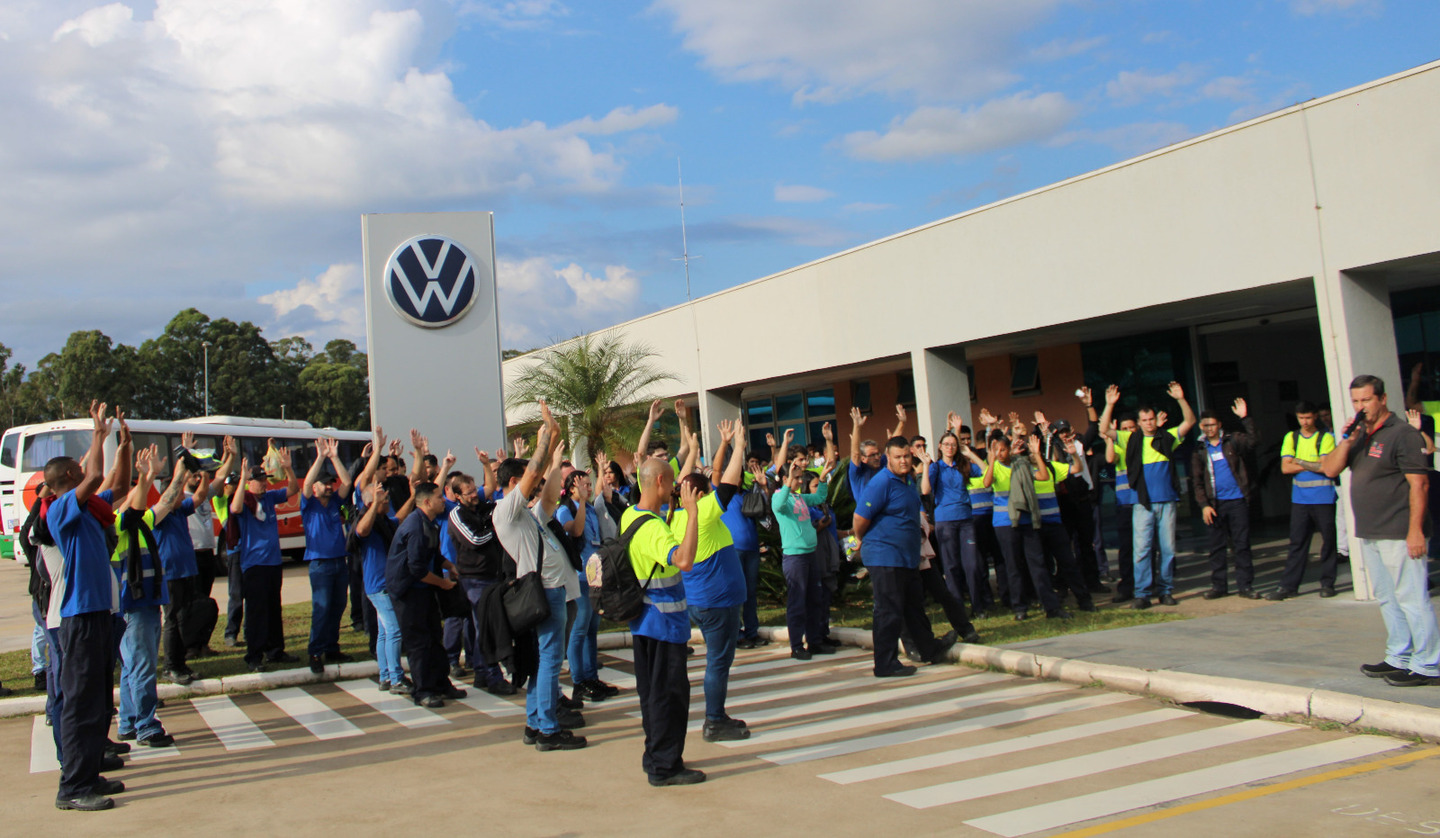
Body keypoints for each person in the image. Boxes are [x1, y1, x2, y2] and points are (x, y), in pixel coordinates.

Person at [1320, 375, 1439, 686]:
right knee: (1387, 597)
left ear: (1382, 399)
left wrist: (1415, 531)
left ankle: (1429, 664)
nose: (1361, 407)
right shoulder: (1359, 435)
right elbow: (1330, 469)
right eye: (1356, 401)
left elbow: (1420, 484)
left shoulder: (1401, 434)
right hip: (1372, 531)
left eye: (1366, 400)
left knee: (1412, 597)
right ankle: (1399, 656)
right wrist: (1346, 438)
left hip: (1400, 531)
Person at [493, 399, 585, 750]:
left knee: (543, 660)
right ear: (514, 482)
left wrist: (556, 451)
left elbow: (547, 498)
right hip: (544, 591)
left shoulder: (528, 515)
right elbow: (533, 476)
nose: (533, 486)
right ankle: (548, 729)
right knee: (549, 661)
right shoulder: (505, 511)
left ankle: (535, 723)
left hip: (553, 590)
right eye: (526, 482)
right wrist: (544, 436)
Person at [48, 401, 124, 811]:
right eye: (78, 470)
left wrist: (122, 443)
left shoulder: (89, 512)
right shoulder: (62, 509)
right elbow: (96, 474)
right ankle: (73, 788)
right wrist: (98, 434)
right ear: (68, 478)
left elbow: (121, 482)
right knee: (79, 704)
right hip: (77, 618)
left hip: (97, 613)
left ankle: (90, 774)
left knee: (97, 701)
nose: (85, 470)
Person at [623, 456, 703, 785]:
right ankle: (665, 766)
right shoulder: (653, 528)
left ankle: (654, 755)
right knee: (668, 697)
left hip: (644, 622)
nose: (674, 489)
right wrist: (693, 513)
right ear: (658, 482)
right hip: (663, 625)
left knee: (652, 694)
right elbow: (683, 560)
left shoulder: (632, 515)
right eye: (671, 483)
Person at [672, 419, 750, 742]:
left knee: (716, 661)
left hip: (702, 600)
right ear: (701, 495)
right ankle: (714, 720)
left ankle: (717, 715)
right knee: (718, 662)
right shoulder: (702, 512)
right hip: (718, 601)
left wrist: (693, 451)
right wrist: (740, 446)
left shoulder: (675, 517)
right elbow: (729, 485)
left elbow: (683, 482)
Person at [855, 436, 958, 678]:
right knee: (888, 610)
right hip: (884, 556)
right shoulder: (881, 483)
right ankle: (885, 663)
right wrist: (865, 539)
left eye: (906, 456)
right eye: (897, 457)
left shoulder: (908, 480)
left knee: (914, 606)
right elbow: (860, 519)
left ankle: (929, 648)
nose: (903, 461)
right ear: (887, 459)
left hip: (907, 556)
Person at [1098, 382, 1197, 609]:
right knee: (1141, 550)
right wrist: (1109, 404)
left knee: (1168, 549)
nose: (1149, 423)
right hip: (1142, 503)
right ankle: (1142, 594)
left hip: (1167, 502)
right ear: (1139, 423)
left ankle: (1166, 590)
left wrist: (1181, 399)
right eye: (1144, 420)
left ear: (1155, 419)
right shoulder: (1130, 439)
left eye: (1151, 419)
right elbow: (1104, 430)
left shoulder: (1167, 437)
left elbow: (1190, 422)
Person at [112, 445, 183, 749]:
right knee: (141, 666)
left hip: (148, 603)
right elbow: (133, 507)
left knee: (133, 667)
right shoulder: (117, 524)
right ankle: (145, 725)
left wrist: (182, 468)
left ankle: (129, 722)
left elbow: (168, 500)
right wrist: (145, 477)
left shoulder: (144, 524)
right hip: (134, 605)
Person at [155, 434, 232, 684]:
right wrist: (184, 458)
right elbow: (178, 493)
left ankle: (181, 663)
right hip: (171, 574)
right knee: (173, 620)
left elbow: (199, 496)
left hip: (186, 571)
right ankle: (171, 665)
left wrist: (205, 470)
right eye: (177, 494)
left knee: (184, 617)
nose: (182, 497)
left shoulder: (181, 510)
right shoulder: (161, 513)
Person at [385, 481, 464, 707]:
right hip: (408, 592)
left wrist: (451, 566)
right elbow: (417, 569)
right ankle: (423, 691)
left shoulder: (430, 523)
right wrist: (442, 584)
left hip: (423, 590)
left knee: (433, 637)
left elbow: (434, 554)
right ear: (427, 502)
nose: (443, 501)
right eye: (440, 497)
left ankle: (441, 683)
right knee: (418, 642)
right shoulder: (415, 527)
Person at [228, 440, 300, 672]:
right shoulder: (247, 501)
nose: (262, 484)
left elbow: (292, 490)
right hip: (254, 565)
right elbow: (235, 509)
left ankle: (275, 650)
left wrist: (288, 468)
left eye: (263, 481)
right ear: (249, 483)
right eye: (258, 481)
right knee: (256, 612)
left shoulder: (269, 498)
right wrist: (242, 480)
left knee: (273, 608)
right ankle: (254, 655)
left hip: (273, 563)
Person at [1270, 401, 1341, 600]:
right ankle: (1288, 586)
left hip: (1324, 499)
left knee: (1328, 542)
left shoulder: (1325, 438)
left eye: (1308, 417)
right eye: (1301, 418)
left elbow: (1326, 467)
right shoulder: (1291, 437)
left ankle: (1328, 583)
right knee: (1297, 543)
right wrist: (1312, 463)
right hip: (1300, 500)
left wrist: (1298, 461)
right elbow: (1285, 468)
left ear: (1315, 417)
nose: (1305, 422)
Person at [1191, 399, 1261, 599]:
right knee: (1216, 547)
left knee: (1241, 544)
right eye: (1205, 426)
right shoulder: (1199, 448)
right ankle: (1219, 586)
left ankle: (1245, 586)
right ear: (1201, 427)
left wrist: (1245, 418)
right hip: (1215, 504)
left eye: (1212, 425)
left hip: (1237, 500)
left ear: (1219, 425)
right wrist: (1204, 505)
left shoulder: (1232, 440)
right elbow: (1196, 480)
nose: (1209, 429)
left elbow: (1254, 441)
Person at [300, 436, 355, 673]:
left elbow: (347, 481)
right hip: (319, 564)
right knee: (321, 607)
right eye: (324, 483)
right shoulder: (309, 504)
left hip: (338, 562)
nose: (329, 486)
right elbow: (305, 485)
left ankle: (332, 647)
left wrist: (335, 457)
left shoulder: (334, 502)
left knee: (338, 605)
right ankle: (315, 651)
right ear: (315, 487)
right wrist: (320, 456)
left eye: (329, 483)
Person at [772, 459, 832, 660]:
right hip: (795, 557)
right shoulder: (779, 496)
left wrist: (822, 478)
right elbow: (779, 506)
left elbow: (820, 496)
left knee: (814, 599)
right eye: (795, 477)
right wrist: (788, 483)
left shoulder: (799, 498)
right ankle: (796, 645)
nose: (798, 481)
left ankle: (814, 641)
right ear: (784, 478)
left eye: (799, 478)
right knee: (797, 602)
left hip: (810, 553)